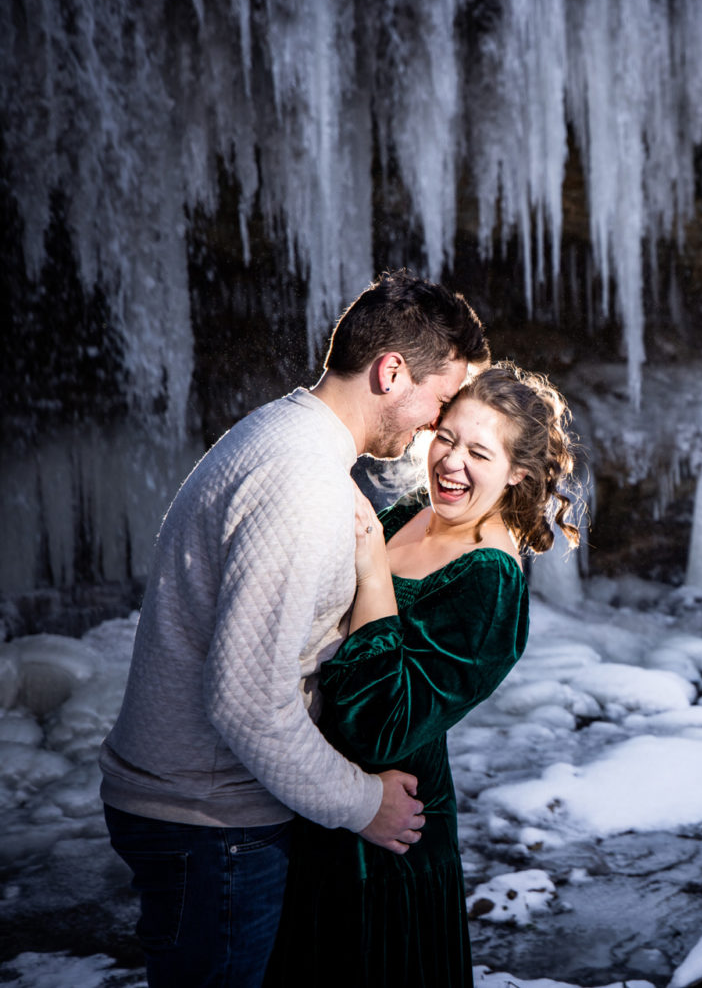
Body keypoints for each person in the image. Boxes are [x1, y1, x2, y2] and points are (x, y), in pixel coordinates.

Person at [99, 272, 490, 987]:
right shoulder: (302, 484)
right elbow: (245, 702)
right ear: (391, 370)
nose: (433, 428)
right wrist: (364, 803)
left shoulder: (282, 431)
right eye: (438, 401)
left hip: (185, 805)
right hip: (209, 822)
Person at [264, 364, 579, 987]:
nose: (451, 463)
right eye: (447, 438)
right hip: (323, 802)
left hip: (387, 840)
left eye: (479, 453)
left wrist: (374, 573)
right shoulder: (415, 507)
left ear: (517, 471)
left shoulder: (489, 580)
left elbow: (383, 728)